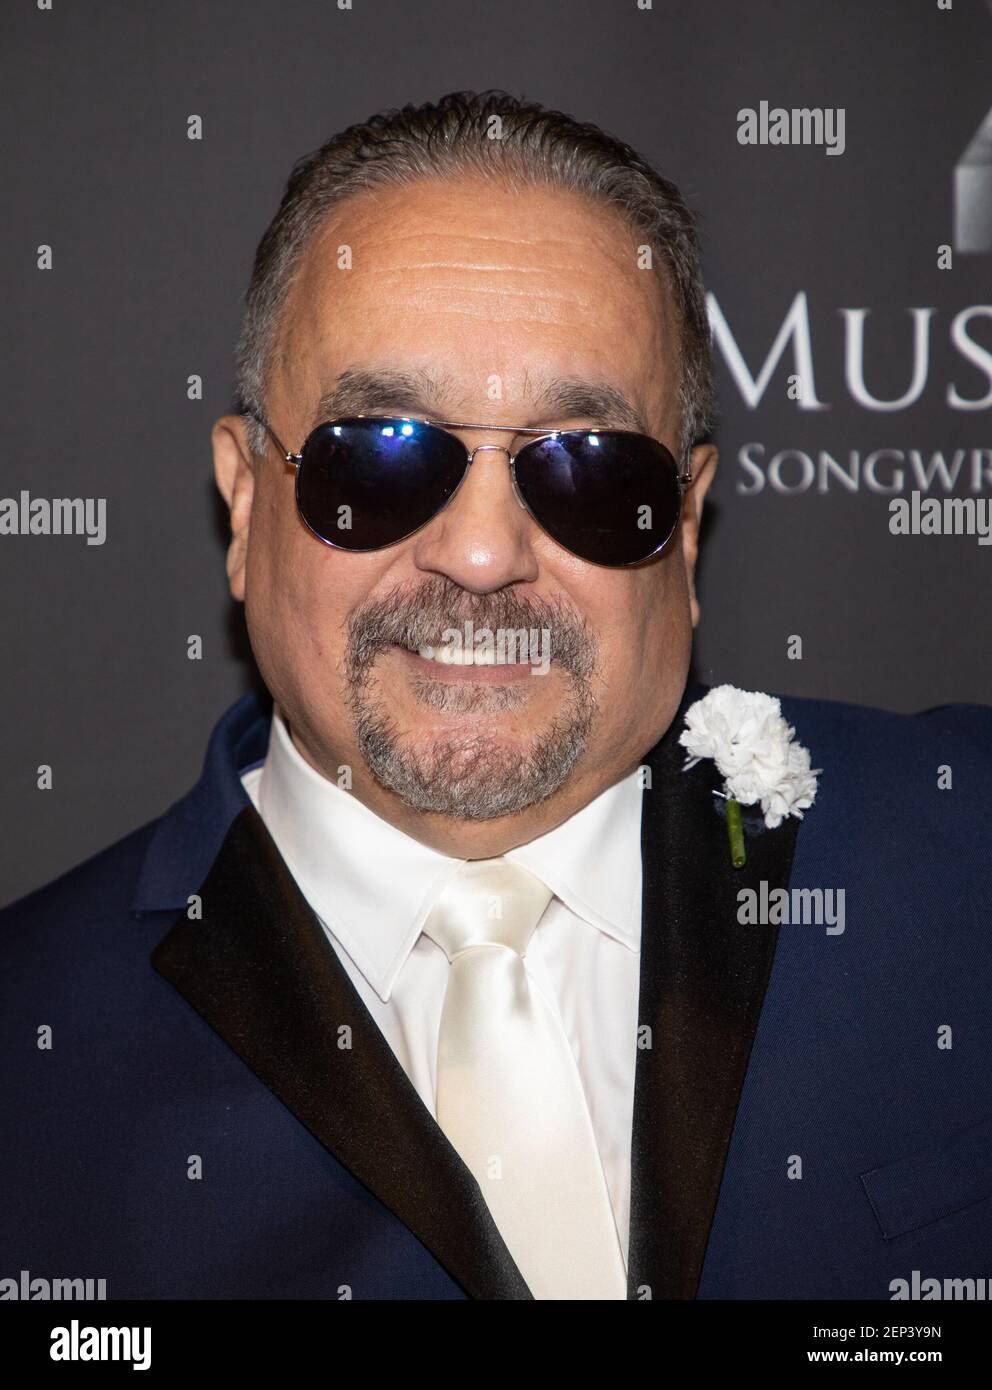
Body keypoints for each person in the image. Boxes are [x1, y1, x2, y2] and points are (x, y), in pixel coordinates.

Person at [2, 90, 989, 1303]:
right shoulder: (27, 1054)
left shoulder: (966, 859)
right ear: (245, 499)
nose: (480, 553)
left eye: (583, 468)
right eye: (383, 453)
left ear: (681, 524)